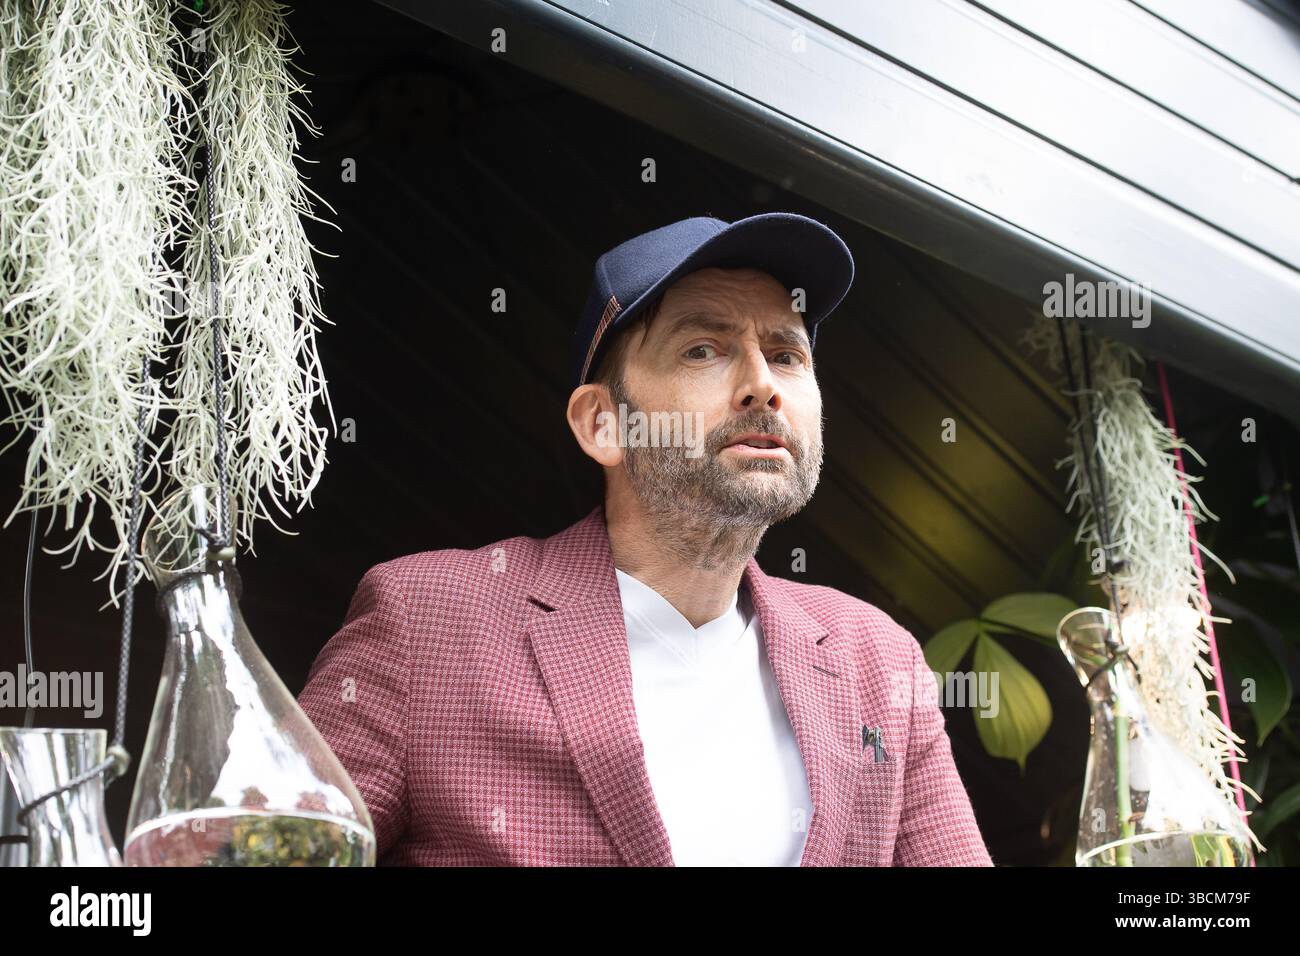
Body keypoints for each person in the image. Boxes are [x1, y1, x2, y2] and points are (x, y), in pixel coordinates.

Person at [297, 212, 994, 866]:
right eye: (703, 349)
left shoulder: (878, 657)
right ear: (603, 424)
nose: (761, 385)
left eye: (787, 354)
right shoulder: (429, 619)